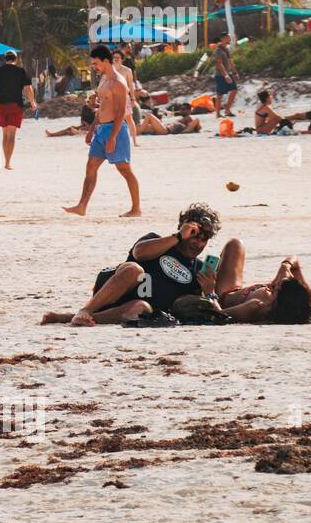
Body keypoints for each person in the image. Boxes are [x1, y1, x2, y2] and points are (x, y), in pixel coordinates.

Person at [42, 203, 224, 326]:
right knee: (134, 269)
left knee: (142, 308)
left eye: (204, 239)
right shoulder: (156, 240)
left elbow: (216, 316)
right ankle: (85, 310)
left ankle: (76, 317)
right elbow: (140, 253)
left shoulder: (199, 270)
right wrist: (177, 237)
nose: (198, 243)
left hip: (135, 309)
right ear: (182, 228)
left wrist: (209, 291)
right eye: (194, 235)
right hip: (113, 292)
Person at [64, 46, 141, 218]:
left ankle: (136, 209)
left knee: (125, 170)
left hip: (116, 130)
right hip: (101, 129)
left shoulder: (118, 82)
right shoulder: (104, 79)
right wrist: (92, 130)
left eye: (95, 63)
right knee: (90, 167)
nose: (93, 66)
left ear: (106, 61)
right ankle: (81, 206)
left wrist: (113, 137)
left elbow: (121, 112)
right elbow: (102, 108)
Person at [217, 252, 311, 324]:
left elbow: (217, 315)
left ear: (278, 299)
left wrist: (208, 291)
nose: (273, 283)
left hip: (225, 293)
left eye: (275, 287)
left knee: (235, 243)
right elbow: (294, 258)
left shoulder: (256, 306)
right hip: (238, 288)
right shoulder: (301, 296)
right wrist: (285, 266)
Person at [0, 50, 34, 169]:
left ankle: (6, 161)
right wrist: (32, 102)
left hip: (1, 105)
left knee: (5, 134)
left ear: (4, 59)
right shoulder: (21, 71)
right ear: (16, 59)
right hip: (16, 104)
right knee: (12, 135)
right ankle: (8, 163)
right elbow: (28, 88)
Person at [110, 49, 142, 147]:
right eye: (114, 57)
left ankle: (134, 141)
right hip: (113, 98)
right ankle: (114, 141)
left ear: (122, 59)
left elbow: (131, 86)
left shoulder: (127, 70)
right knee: (113, 120)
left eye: (118, 58)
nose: (116, 59)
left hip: (125, 97)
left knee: (129, 119)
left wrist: (133, 99)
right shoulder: (110, 70)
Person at [213, 35, 239, 117]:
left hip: (228, 73)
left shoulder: (226, 49)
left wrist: (235, 72)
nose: (229, 39)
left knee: (234, 89)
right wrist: (225, 75)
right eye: (227, 38)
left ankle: (227, 110)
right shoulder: (218, 50)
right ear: (222, 39)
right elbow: (219, 64)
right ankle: (217, 113)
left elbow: (230, 62)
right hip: (220, 75)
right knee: (220, 94)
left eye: (229, 38)